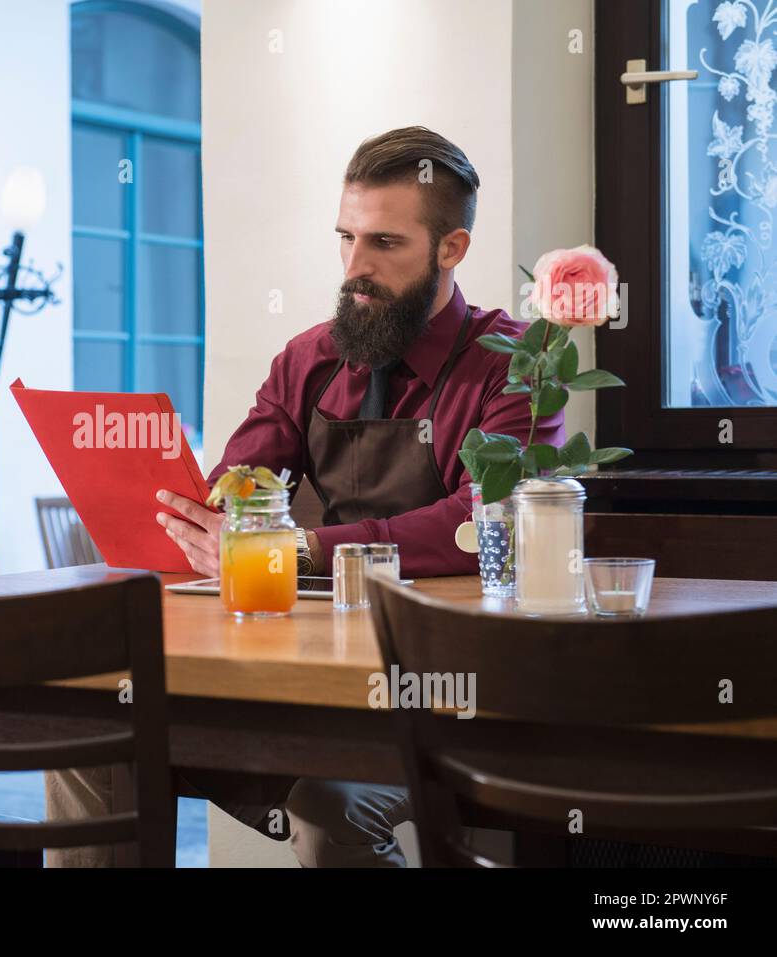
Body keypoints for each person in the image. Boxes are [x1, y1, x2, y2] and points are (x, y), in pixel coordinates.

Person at [47, 126, 564, 866]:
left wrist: (304, 548)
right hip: (291, 680)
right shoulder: (306, 359)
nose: (355, 267)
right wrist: (201, 516)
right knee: (87, 740)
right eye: (345, 238)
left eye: (384, 243)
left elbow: (481, 524)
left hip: (438, 692)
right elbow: (240, 487)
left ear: (452, 249)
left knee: (332, 811)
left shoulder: (519, 366)